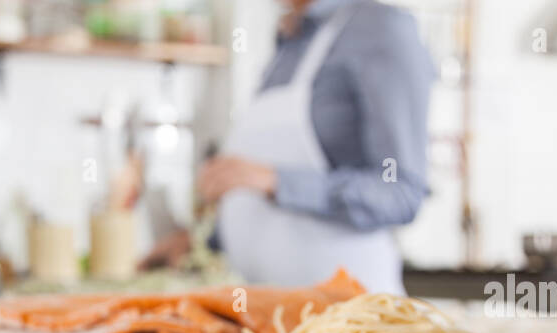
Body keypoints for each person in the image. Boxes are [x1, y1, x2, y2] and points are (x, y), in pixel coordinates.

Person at [144, 0, 433, 293]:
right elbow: (265, 204)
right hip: (268, 317)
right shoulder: (289, 46)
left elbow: (400, 190)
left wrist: (277, 180)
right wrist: (200, 241)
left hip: (353, 316)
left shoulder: (380, 28)